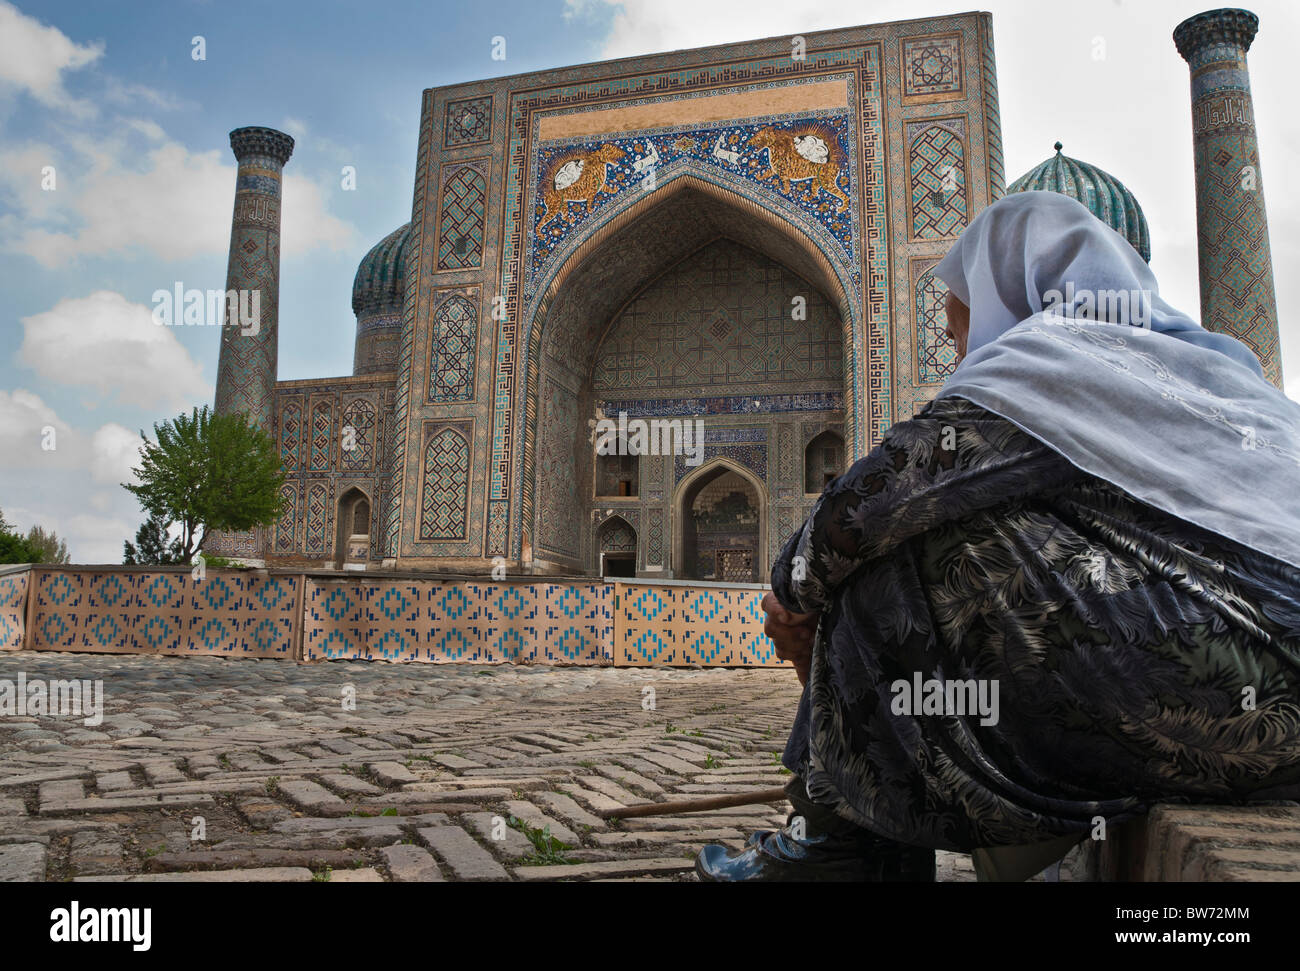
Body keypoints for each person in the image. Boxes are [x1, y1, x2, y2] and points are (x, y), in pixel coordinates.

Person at [695, 190, 1300, 882]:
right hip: (1276, 721)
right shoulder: (1213, 373)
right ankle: (843, 831)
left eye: (960, 317)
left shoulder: (1050, 362)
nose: (958, 344)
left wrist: (790, 597)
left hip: (1238, 695)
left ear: (1004, 294)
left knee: (895, 548)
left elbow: (863, 507)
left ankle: (841, 849)